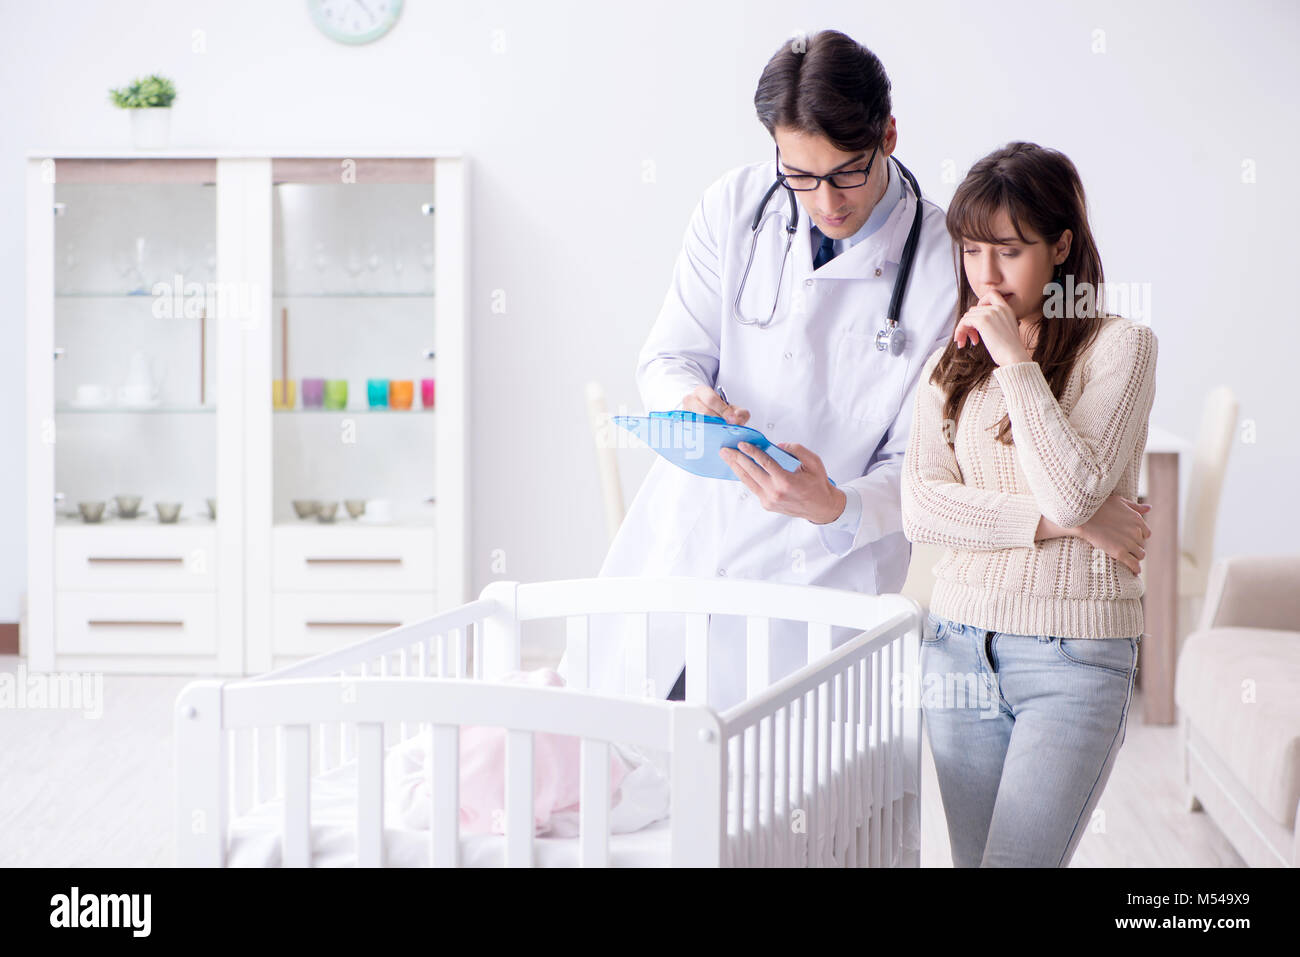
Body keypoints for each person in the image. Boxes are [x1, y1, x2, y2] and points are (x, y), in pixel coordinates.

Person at [558, 30, 958, 711]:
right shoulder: (734, 206)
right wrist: (690, 398)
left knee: (774, 767)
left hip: (821, 586)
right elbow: (668, 356)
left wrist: (836, 504)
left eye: (846, 173)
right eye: (799, 176)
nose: (825, 201)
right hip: (690, 543)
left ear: (888, 135)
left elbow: (925, 465)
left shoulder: (943, 264)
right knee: (617, 747)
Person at [900, 141, 1159, 867]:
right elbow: (921, 507)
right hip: (957, 644)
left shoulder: (1122, 347)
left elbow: (1073, 488)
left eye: (1009, 252)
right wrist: (1065, 524)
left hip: (1072, 657)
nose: (985, 275)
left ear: (1061, 247)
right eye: (971, 251)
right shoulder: (950, 359)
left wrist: (1016, 360)